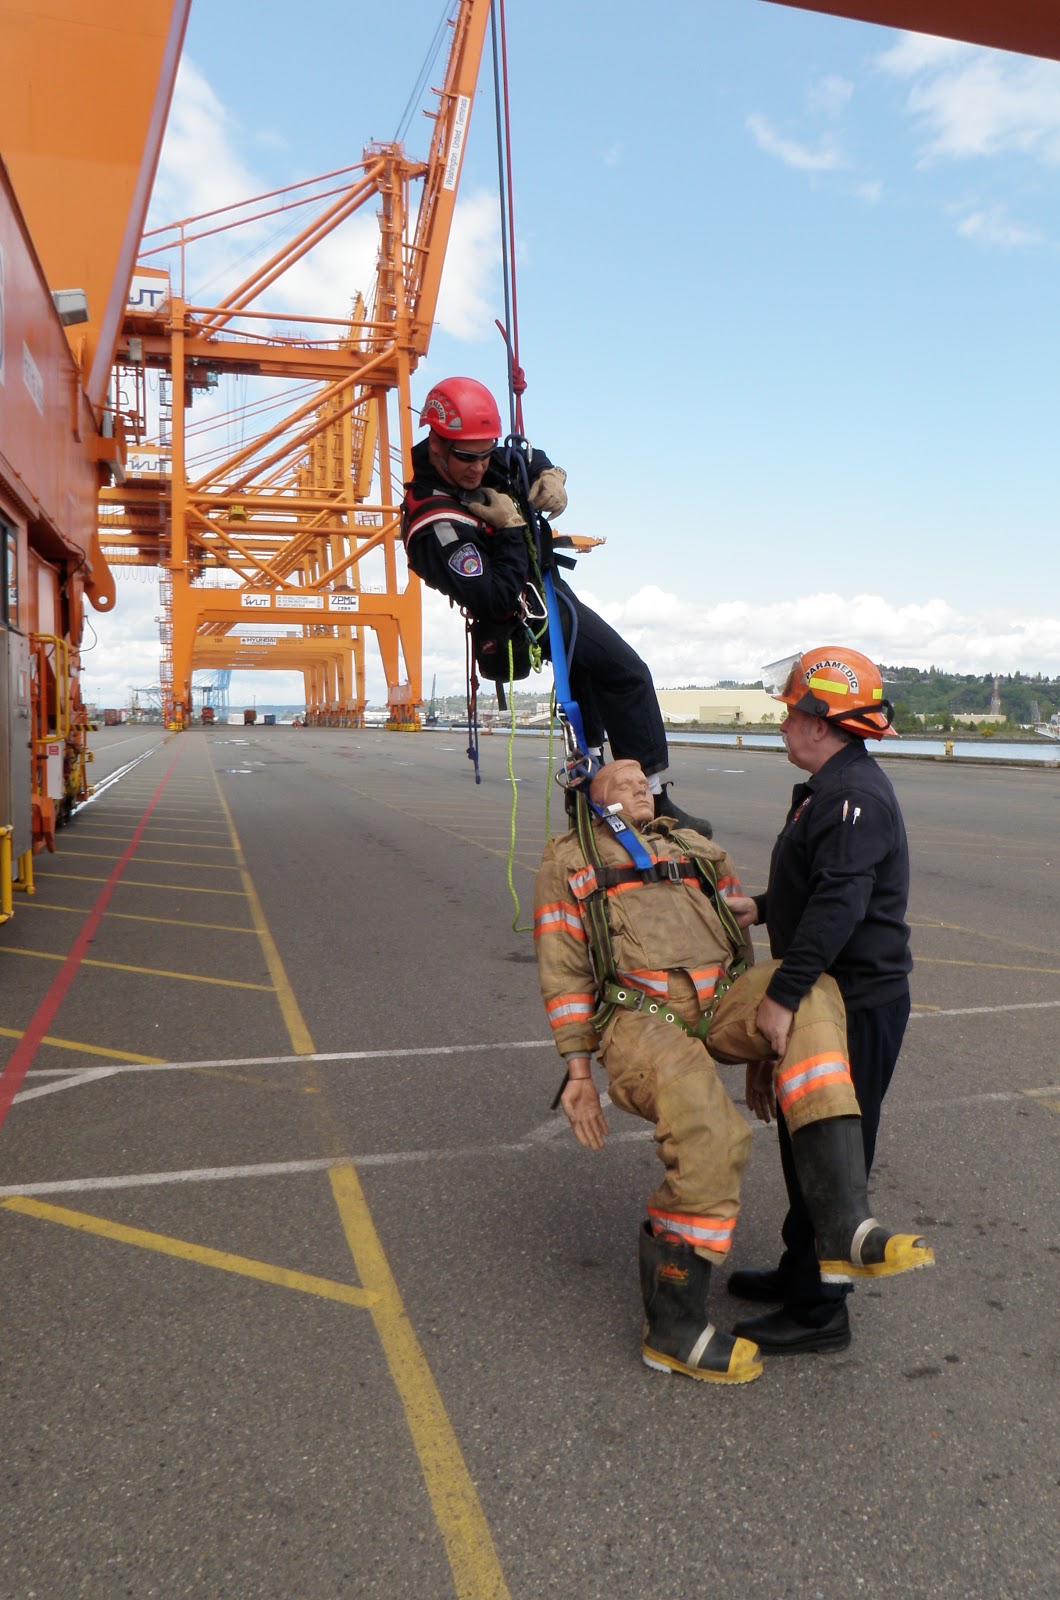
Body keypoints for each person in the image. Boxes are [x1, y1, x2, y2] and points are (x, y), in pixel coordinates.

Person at [534, 759, 931, 1386]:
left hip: (720, 1001)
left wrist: (764, 1050)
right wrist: (577, 1069)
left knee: (808, 989)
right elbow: (563, 969)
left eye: (645, 782)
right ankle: (673, 1328)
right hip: (641, 1017)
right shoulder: (568, 862)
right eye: (623, 784)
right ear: (591, 799)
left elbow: (738, 942)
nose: (640, 788)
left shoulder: (698, 849)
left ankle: (842, 1224)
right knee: (711, 1135)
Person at [724, 645, 924, 1357]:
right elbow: (819, 893)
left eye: (790, 714)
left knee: (833, 1150)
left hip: (857, 1003)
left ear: (821, 721)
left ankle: (821, 1313)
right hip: (833, 996)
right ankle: (797, 1272)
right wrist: (764, 906)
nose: (783, 726)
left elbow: (841, 908)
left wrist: (781, 996)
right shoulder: (832, 788)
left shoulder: (853, 797)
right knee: (801, 1138)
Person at [402, 376, 710, 834]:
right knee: (628, 675)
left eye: (484, 453)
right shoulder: (434, 524)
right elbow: (494, 596)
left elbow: (521, 456)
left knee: (591, 689)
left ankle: (591, 795)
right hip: (524, 614)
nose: (479, 467)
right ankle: (656, 797)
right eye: (467, 457)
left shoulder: (481, 459)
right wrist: (508, 531)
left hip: (547, 592)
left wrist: (551, 474)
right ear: (437, 445)